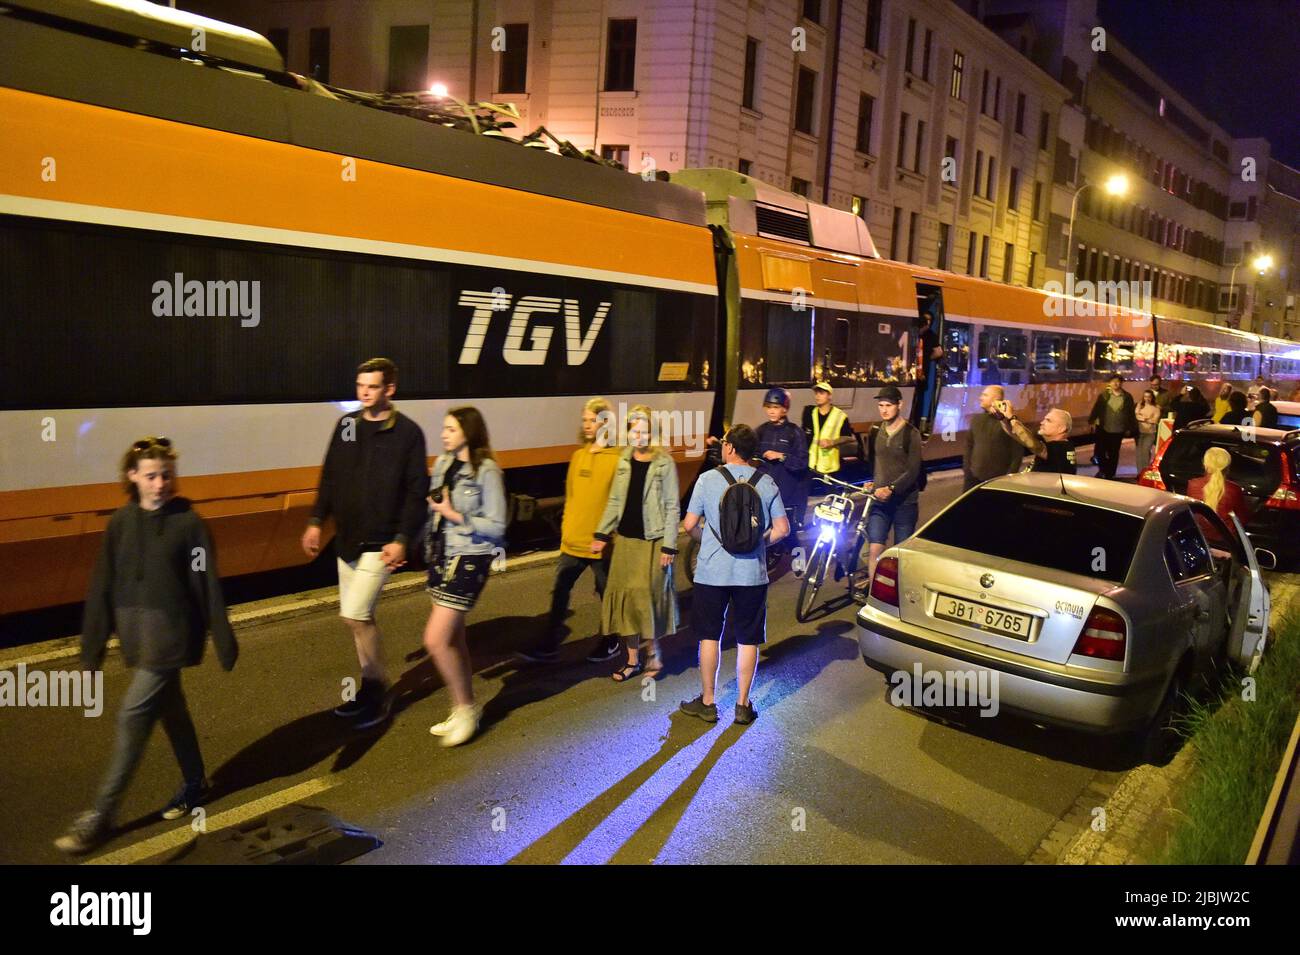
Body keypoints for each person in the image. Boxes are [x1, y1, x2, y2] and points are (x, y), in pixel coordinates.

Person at [55, 437, 238, 855]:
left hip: (170, 640)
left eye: (167, 475)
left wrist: (222, 637)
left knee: (132, 716)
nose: (161, 484)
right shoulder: (120, 524)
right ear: (132, 476)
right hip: (137, 639)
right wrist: (92, 647)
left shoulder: (189, 524)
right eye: (152, 475)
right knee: (172, 711)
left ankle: (101, 817)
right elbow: (101, 585)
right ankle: (195, 783)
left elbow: (205, 582)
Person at [303, 358, 429, 729]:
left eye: (371, 387)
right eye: (360, 386)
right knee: (360, 619)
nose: (363, 393)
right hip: (348, 541)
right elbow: (330, 476)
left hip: (381, 543)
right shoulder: (346, 426)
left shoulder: (408, 434)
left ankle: (379, 690)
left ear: (389, 389)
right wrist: (315, 521)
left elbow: (415, 492)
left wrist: (403, 539)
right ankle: (370, 687)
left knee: (355, 615)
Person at [679, 424, 788, 725]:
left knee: (710, 635)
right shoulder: (766, 482)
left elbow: (689, 525)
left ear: (728, 448)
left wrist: (710, 541)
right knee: (748, 638)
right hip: (751, 574)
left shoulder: (707, 480)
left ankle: (708, 702)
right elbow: (782, 529)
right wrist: (756, 543)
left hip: (712, 572)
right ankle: (742, 705)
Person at [423, 407, 508, 747]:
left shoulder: (487, 471)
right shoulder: (443, 463)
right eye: (443, 428)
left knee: (435, 639)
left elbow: (498, 525)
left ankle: (467, 711)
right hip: (442, 555)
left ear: (468, 432)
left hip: (469, 558)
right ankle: (462, 708)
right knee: (455, 639)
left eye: (450, 429)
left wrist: (455, 515)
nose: (443, 434)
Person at [517, 398, 621, 664]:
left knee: (607, 593)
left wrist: (607, 535)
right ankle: (550, 642)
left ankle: (612, 641)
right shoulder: (578, 456)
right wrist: (566, 530)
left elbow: (618, 502)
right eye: (584, 420)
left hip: (601, 544)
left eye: (592, 420)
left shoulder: (619, 459)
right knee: (560, 590)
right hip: (573, 542)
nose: (586, 425)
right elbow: (572, 498)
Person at [592, 405, 680, 683]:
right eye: (634, 431)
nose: (639, 437)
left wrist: (669, 545)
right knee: (625, 602)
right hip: (626, 542)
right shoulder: (624, 460)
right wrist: (601, 534)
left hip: (652, 542)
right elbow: (615, 501)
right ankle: (632, 660)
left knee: (647, 599)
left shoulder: (664, 463)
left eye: (644, 432)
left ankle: (653, 651)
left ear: (652, 434)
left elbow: (672, 507)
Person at [864, 385, 924, 579]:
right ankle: (873, 596)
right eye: (881, 405)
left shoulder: (911, 434)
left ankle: (896, 599)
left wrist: (892, 488)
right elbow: (873, 461)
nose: (884, 409)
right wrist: (872, 483)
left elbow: (913, 470)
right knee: (875, 549)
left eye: (888, 405)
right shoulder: (875, 431)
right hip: (879, 502)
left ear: (900, 405)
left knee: (899, 556)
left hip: (904, 503)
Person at [754, 386, 808, 528]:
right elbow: (748, 451)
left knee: (788, 536)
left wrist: (782, 456)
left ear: (785, 409)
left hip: (786, 496)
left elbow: (802, 463)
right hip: (764, 494)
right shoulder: (761, 430)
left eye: (776, 407)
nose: (771, 411)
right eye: (768, 407)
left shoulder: (794, 432)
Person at [963, 384, 1025, 491]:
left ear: (995, 399)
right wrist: (967, 471)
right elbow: (969, 446)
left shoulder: (1009, 422)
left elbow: (1017, 453)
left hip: (998, 481)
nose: (980, 397)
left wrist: (1009, 477)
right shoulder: (976, 419)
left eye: (985, 395)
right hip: (973, 479)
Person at [995, 403, 1077, 474]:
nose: (1042, 422)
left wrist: (1012, 417)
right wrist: (1002, 418)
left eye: (1048, 420)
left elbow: (1031, 443)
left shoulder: (1061, 448)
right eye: (1044, 419)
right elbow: (1017, 435)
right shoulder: (1057, 446)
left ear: (1061, 428)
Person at [802, 382, 855, 488]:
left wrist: (832, 442)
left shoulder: (840, 416)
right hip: (811, 463)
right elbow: (804, 432)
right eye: (816, 393)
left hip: (829, 465)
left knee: (828, 495)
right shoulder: (810, 412)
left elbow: (849, 437)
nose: (817, 396)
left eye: (821, 393)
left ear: (829, 396)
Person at [1087, 375, 1137, 480]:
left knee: (1113, 453)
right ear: (1109, 383)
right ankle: (1102, 470)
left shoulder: (1127, 397)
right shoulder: (1104, 395)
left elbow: (1130, 413)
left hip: (1118, 430)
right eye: (1113, 381)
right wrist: (1091, 421)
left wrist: (1130, 427)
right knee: (1100, 451)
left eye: (1118, 382)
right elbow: (1097, 408)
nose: (1115, 383)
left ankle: (1110, 473)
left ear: (1121, 383)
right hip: (1103, 428)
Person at [1187, 447, 1246, 523]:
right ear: (1227, 467)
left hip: (1198, 533)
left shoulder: (1192, 484)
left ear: (1205, 464)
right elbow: (1242, 518)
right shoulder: (1234, 489)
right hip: (1224, 533)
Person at [1135, 389, 1162, 470]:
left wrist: (1143, 418)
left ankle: (1145, 470)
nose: (1147, 398)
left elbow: (1155, 420)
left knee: (1146, 451)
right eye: (1145, 396)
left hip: (1150, 433)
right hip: (1139, 432)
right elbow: (1136, 415)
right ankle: (1139, 471)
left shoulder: (1156, 407)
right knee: (1139, 453)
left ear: (1152, 398)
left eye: (1149, 397)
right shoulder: (1140, 405)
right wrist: (1146, 419)